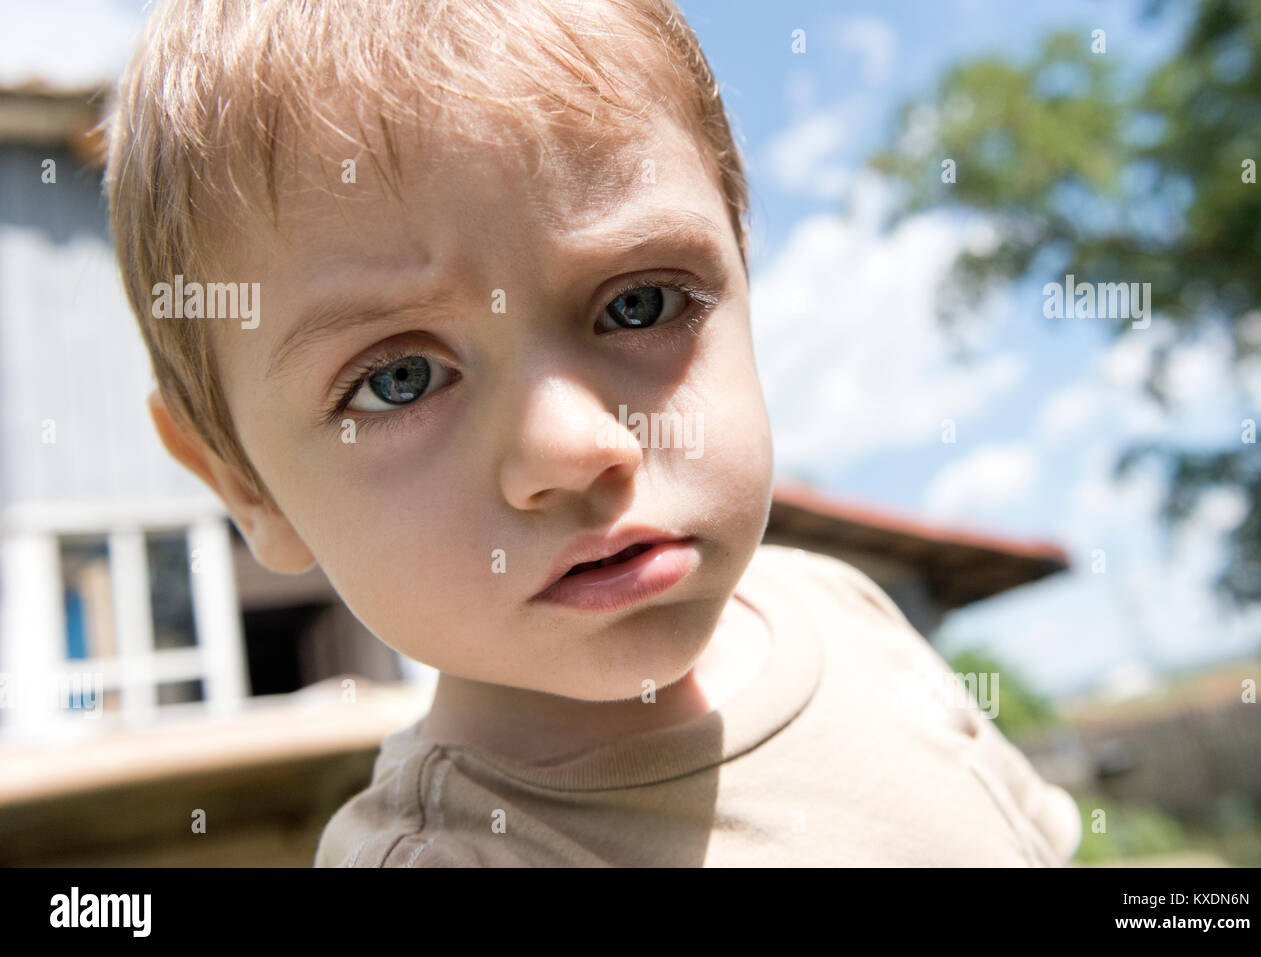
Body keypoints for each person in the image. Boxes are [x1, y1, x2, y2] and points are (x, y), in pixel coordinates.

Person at [99, 0, 1083, 866]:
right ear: (243, 484)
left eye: (641, 303)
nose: (574, 446)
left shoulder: (850, 612)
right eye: (399, 380)